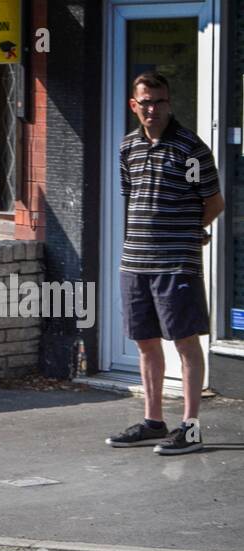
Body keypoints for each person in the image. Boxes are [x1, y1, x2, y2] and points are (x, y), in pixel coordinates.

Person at [107, 72, 225, 455]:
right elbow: (133, 197)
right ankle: (153, 421)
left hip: (176, 263)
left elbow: (214, 201)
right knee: (145, 342)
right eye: (146, 102)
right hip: (135, 261)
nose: (153, 109)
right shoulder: (127, 148)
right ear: (134, 105)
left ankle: (190, 427)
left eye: (159, 101)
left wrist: (192, 231)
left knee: (185, 343)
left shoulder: (191, 149)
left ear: (169, 103)